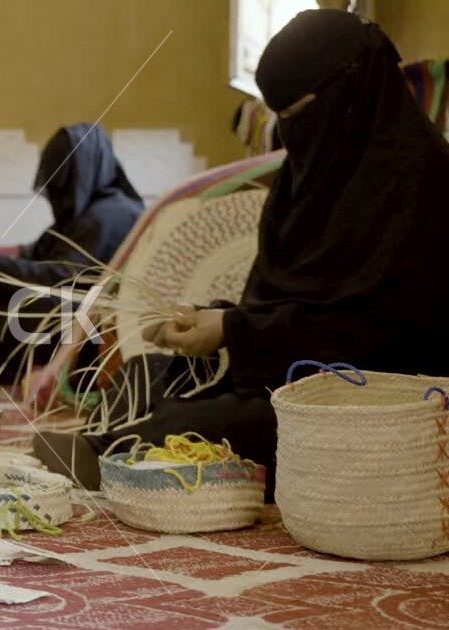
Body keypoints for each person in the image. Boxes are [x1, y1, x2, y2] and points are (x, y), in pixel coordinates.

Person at [32, 9, 449, 499]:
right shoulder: (303, 180)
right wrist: (213, 323)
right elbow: (277, 304)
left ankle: (121, 455)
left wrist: (234, 331)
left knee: (190, 424)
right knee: (145, 375)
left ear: (354, 92)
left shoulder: (422, 183)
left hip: (360, 405)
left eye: (297, 115)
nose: (290, 131)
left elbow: (374, 336)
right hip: (279, 374)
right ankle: (121, 453)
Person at [0, 123, 144, 384]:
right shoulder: (93, 212)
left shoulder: (109, 215)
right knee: (16, 295)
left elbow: (65, 278)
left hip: (95, 320)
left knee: (29, 304)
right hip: (80, 311)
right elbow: (47, 255)